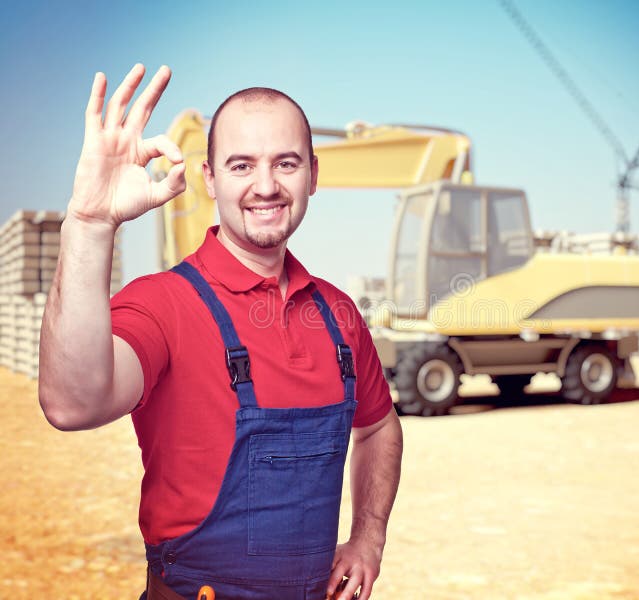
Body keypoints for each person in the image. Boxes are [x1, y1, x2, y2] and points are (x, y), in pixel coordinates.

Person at [38, 64, 403, 600]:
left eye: (286, 163)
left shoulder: (339, 313)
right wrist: (91, 225)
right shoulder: (163, 303)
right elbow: (70, 405)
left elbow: (378, 428)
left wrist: (368, 539)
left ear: (313, 175)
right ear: (210, 178)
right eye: (241, 165)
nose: (266, 186)